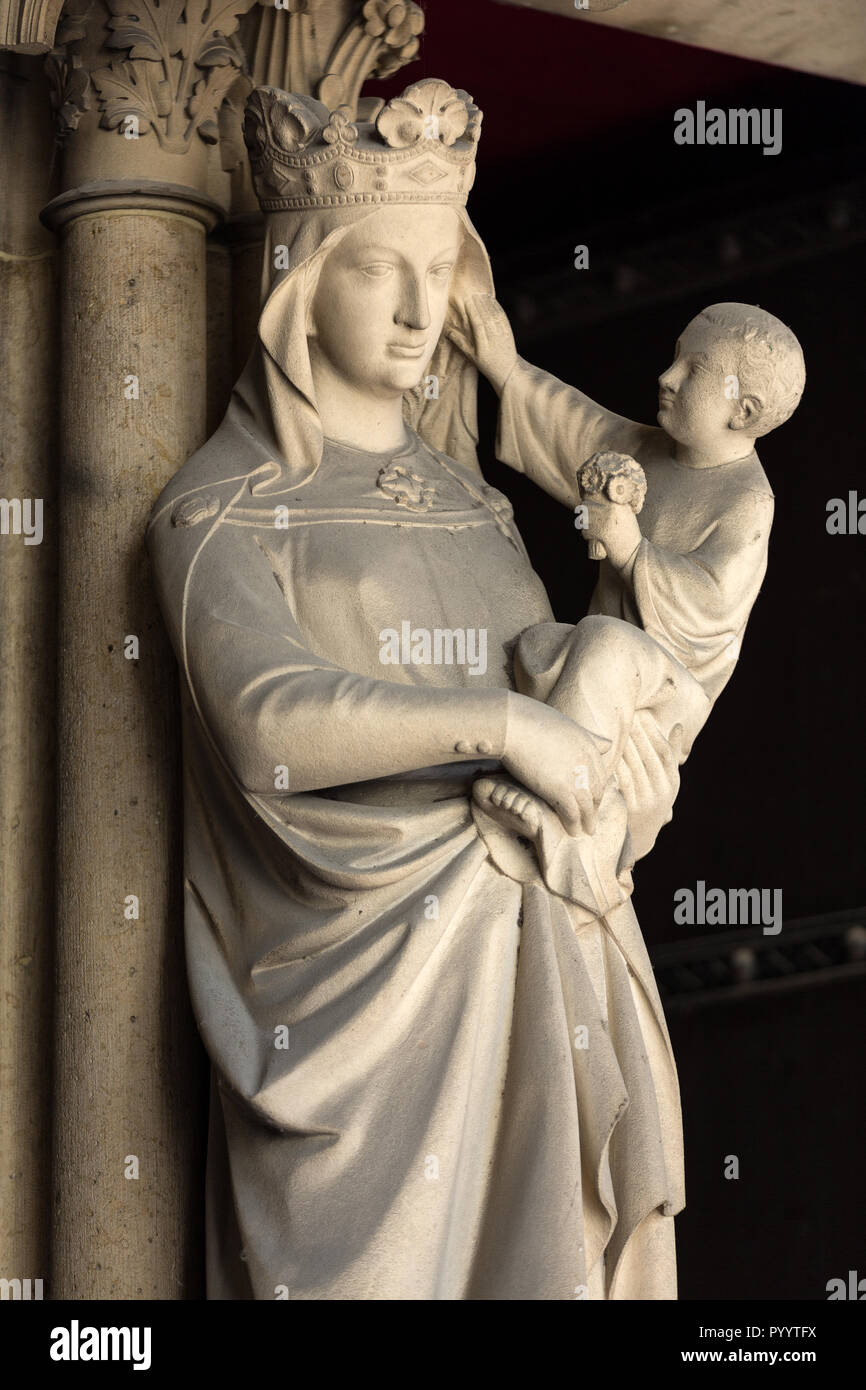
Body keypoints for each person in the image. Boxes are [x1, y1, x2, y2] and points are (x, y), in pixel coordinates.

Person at [147, 79, 684, 1300]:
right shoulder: (223, 511)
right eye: (374, 268)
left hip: (536, 957)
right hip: (351, 1003)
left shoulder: (480, 505)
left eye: (438, 270)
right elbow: (267, 720)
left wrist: (618, 781)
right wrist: (500, 726)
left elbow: (566, 714)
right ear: (295, 286)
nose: (413, 308)